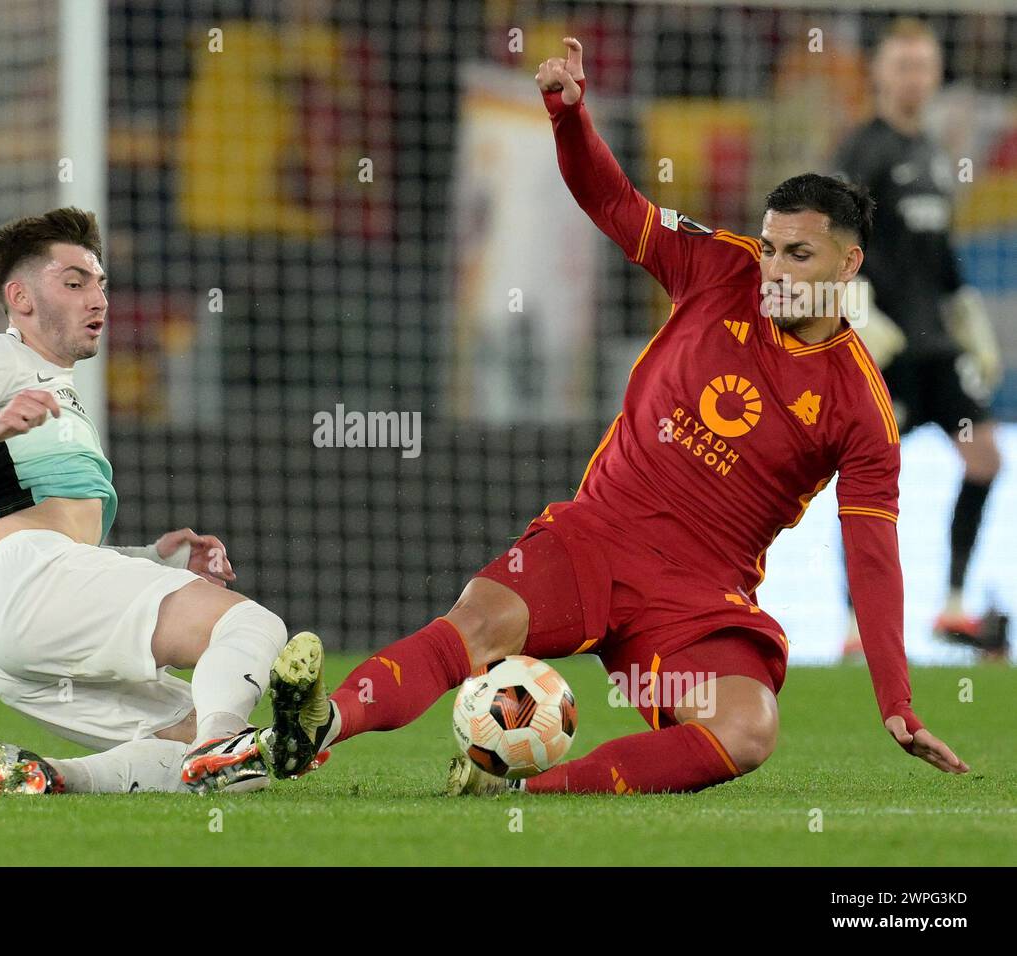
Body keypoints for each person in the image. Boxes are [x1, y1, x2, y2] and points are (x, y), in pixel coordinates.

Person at [241, 37, 969, 795]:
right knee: (478, 623)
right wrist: (569, 119)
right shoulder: (717, 267)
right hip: (595, 538)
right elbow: (614, 202)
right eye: (770, 248)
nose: (776, 272)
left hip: (696, 599)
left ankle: (528, 791)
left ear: (849, 266)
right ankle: (313, 728)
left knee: (747, 730)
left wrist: (898, 701)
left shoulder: (859, 404)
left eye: (799, 255)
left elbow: (872, 555)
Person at [0, 206, 319, 795]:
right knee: (254, 625)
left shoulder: (61, 395)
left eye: (100, 283)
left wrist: (153, 557)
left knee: (201, 734)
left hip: (15, 636)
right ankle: (221, 747)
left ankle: (55, 777)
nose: (97, 298)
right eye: (74, 283)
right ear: (20, 298)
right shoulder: (1, 353)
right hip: (28, 579)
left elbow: (54, 541)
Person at [832, 18, 1006, 659]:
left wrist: (968, 315)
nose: (914, 77)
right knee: (870, 482)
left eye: (924, 65)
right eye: (902, 65)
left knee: (984, 459)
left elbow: (940, 252)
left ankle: (955, 606)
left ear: (936, 74)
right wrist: (855, 307)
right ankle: (857, 628)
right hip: (886, 350)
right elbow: (834, 240)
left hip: (938, 350)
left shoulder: (934, 153)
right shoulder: (862, 152)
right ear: (879, 73)